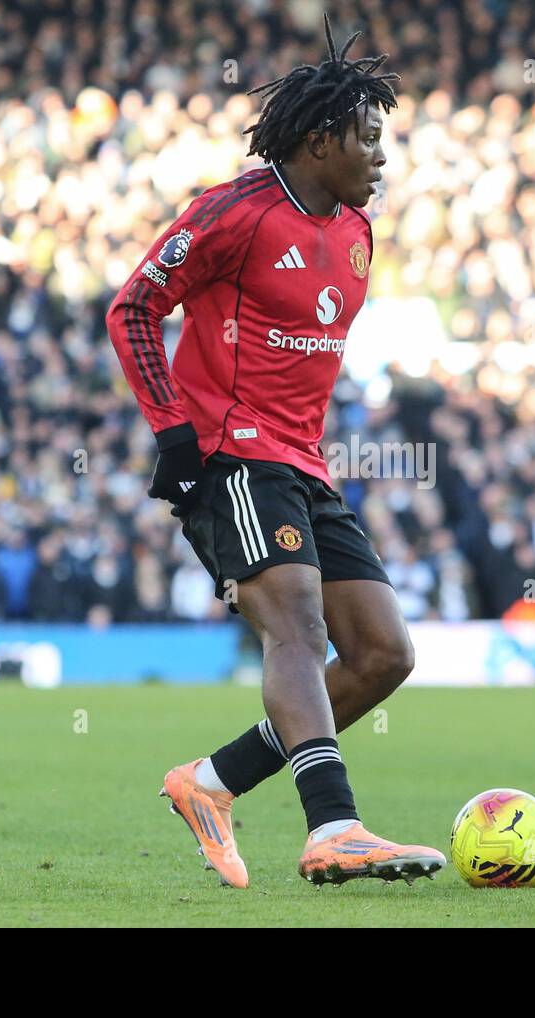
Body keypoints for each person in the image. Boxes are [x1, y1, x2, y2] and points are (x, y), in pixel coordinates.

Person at [105, 16, 444, 887]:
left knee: (381, 654)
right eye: (368, 139)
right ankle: (334, 826)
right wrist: (176, 436)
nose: (381, 157)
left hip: (302, 463)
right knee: (294, 622)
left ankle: (210, 783)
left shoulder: (359, 235)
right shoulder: (234, 213)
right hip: (228, 456)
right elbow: (133, 307)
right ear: (319, 138)